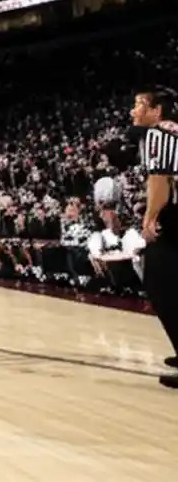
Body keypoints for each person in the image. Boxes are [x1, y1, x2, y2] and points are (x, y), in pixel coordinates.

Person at [130, 86, 178, 388]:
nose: (133, 111)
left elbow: (159, 179)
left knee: (159, 282)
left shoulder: (157, 135)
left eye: (138, 105)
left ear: (156, 111)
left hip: (175, 215)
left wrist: (150, 219)